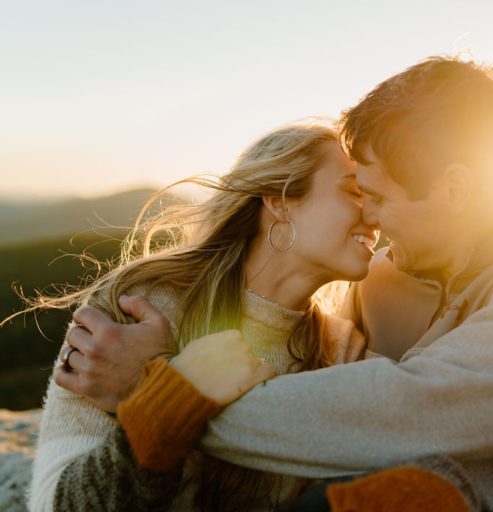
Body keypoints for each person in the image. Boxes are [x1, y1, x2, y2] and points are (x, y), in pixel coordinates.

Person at [56, 56, 493, 511]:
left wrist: (162, 396)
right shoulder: (380, 284)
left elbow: (416, 414)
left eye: (379, 197)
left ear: (454, 189)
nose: (372, 219)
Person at [25, 124, 388, 511]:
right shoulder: (142, 303)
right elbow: (55, 504)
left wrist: (158, 389)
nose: (376, 214)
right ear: (281, 200)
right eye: (354, 192)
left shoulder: (340, 351)